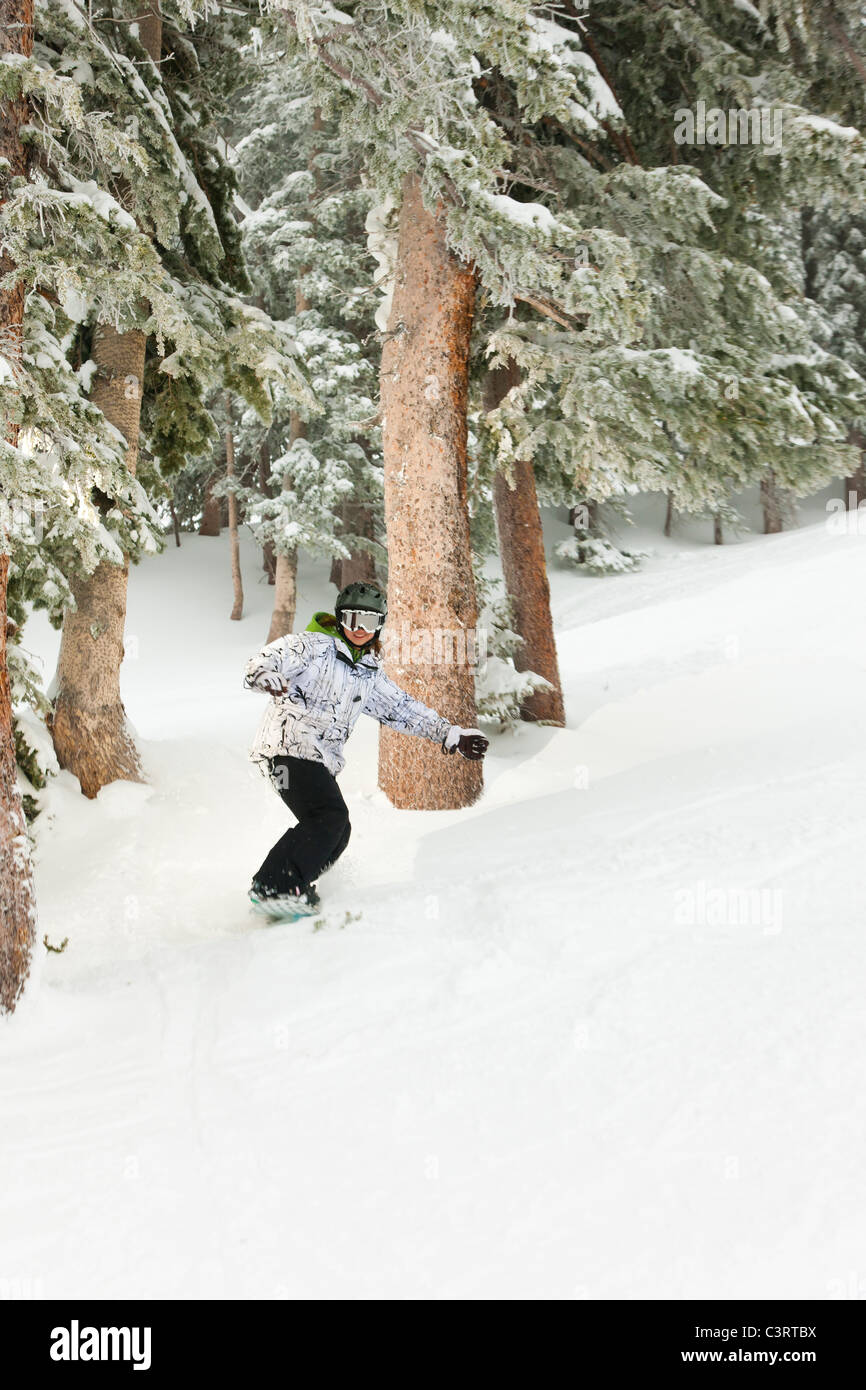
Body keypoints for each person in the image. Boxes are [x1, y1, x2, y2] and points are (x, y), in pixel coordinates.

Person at [244, 581, 488, 917]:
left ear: (380, 626)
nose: (360, 629)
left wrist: (450, 735)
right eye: (353, 619)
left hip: (316, 760)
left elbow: (402, 709)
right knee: (328, 817)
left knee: (339, 832)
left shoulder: (367, 673)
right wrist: (264, 675)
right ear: (340, 618)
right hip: (285, 749)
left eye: (370, 622)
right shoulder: (312, 646)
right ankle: (274, 887)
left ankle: (292, 890)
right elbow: (265, 659)